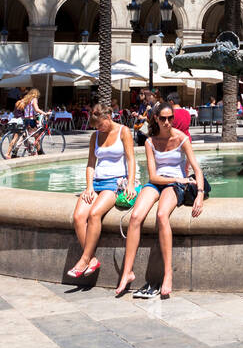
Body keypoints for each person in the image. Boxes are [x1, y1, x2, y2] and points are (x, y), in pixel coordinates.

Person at [116, 102, 206, 298]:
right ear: (156, 118)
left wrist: (199, 194)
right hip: (160, 182)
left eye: (170, 118)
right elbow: (153, 177)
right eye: (163, 118)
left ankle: (168, 274)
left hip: (175, 186)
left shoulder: (181, 138)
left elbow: (197, 169)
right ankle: (127, 272)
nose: (167, 122)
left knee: (162, 215)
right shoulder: (150, 142)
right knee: (135, 217)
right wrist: (177, 178)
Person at [67, 107, 137, 279]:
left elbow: (131, 159)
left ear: (109, 116)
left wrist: (130, 184)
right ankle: (92, 260)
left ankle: (84, 260)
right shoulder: (95, 136)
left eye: (100, 124)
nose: (99, 128)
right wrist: (89, 186)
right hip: (96, 182)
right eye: (96, 126)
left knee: (95, 213)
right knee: (78, 217)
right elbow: (91, 163)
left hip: (115, 182)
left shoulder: (123, 131)